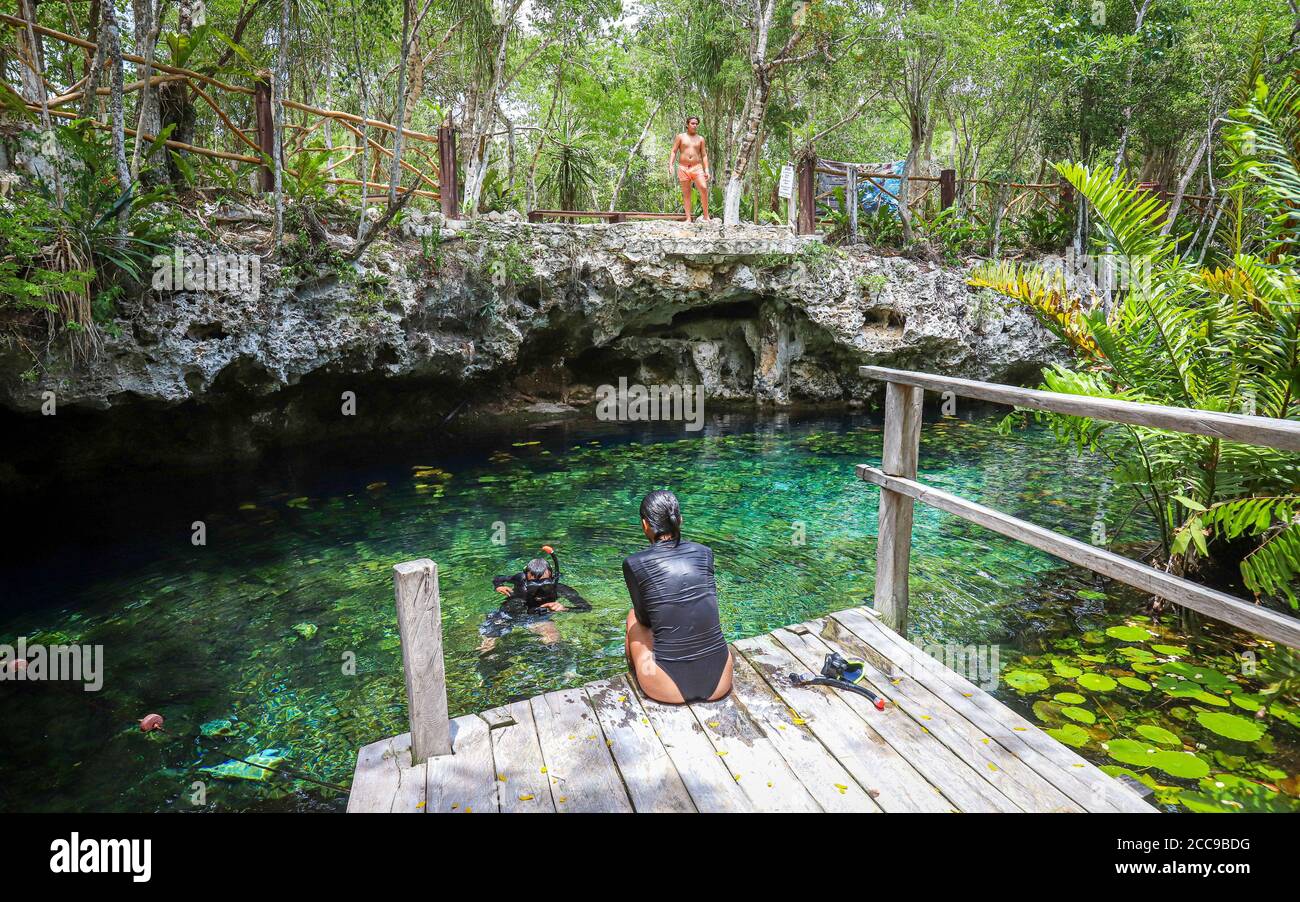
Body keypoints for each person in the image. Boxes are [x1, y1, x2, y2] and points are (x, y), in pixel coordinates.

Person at [623, 490, 733, 703]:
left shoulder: (634, 563)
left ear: (645, 525)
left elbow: (644, 620)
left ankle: (635, 675)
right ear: (680, 520)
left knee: (632, 618)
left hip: (667, 688)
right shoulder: (705, 552)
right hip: (721, 681)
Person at [479, 545, 590, 653]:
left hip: (539, 618)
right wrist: (498, 586)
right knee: (487, 648)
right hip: (505, 615)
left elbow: (586, 608)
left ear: (552, 578)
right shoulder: (520, 579)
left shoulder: (559, 588)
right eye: (533, 584)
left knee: (553, 642)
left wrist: (565, 608)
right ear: (526, 578)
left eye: (545, 584)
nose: (539, 589)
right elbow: (498, 578)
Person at [668, 116, 711, 222]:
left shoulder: (700, 139)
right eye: (692, 123)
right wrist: (670, 165)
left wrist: (707, 170)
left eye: (696, 124)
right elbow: (674, 151)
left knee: (704, 188)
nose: (695, 125)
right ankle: (688, 219)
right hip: (683, 167)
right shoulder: (680, 137)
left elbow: (704, 155)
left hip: (697, 167)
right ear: (687, 124)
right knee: (686, 193)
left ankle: (706, 216)